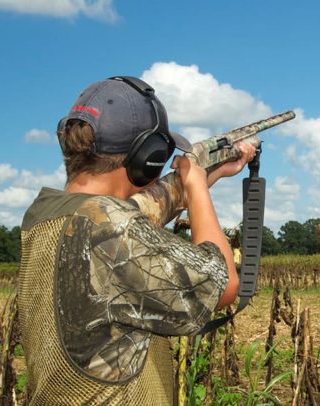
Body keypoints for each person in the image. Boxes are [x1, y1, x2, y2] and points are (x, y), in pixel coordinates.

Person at [17, 76, 256, 404]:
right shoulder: (113, 229)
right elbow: (224, 283)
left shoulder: (45, 214)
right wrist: (197, 185)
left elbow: (142, 208)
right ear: (148, 156)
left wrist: (209, 168)